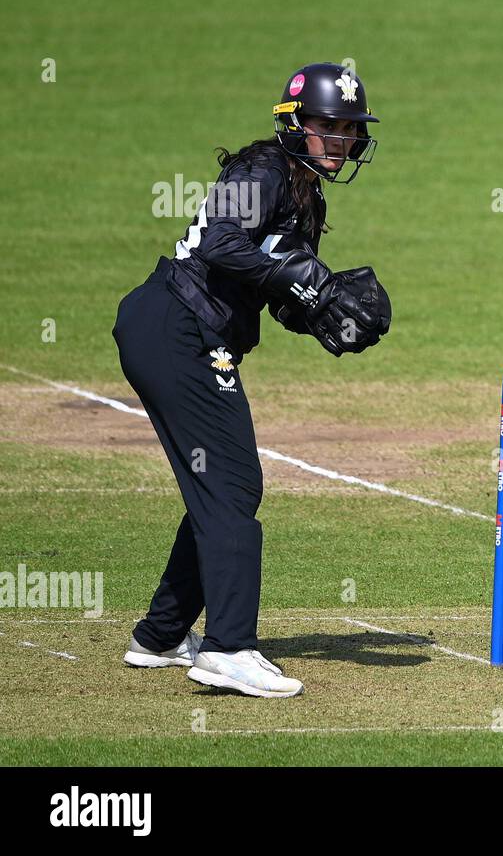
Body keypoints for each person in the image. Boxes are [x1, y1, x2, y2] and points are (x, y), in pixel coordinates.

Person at [114, 63, 391, 694]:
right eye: (329, 126)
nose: (341, 140)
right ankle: (229, 648)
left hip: (182, 332)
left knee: (220, 487)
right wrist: (308, 281)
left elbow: (275, 286)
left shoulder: (303, 192)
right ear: (294, 124)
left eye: (350, 129)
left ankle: (160, 637)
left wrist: (323, 308)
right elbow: (219, 243)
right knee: (235, 486)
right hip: (176, 327)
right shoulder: (262, 170)